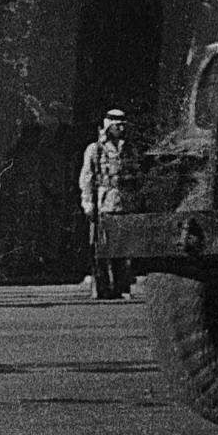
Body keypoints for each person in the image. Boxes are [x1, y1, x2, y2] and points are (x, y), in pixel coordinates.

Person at [78, 107, 139, 298]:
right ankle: (103, 288)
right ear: (108, 126)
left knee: (123, 248)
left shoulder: (129, 148)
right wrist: (87, 201)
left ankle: (122, 287)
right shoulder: (95, 149)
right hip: (103, 203)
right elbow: (87, 177)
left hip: (125, 202)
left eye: (123, 124)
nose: (121, 128)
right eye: (117, 125)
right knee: (101, 248)